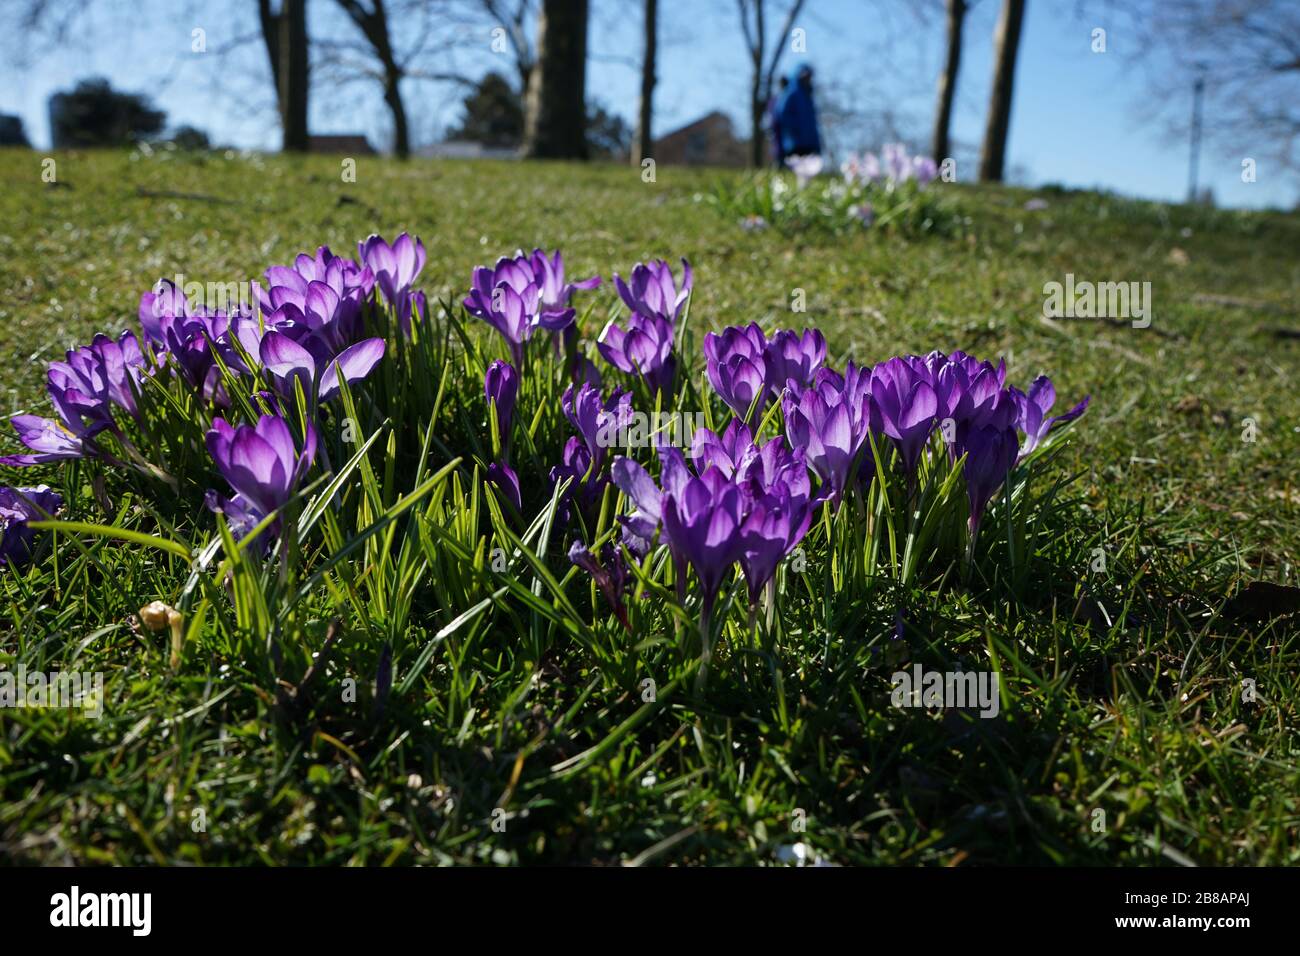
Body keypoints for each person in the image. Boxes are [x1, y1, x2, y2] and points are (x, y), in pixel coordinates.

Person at [775, 62, 821, 162]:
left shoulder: (808, 95)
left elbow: (813, 122)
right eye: (805, 76)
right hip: (795, 142)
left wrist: (817, 143)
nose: (807, 79)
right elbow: (782, 114)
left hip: (810, 143)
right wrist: (795, 130)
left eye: (809, 77)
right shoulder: (791, 93)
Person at [767, 76, 788, 168]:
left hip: (785, 134)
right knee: (780, 157)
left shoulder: (778, 99)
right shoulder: (776, 100)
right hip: (780, 133)